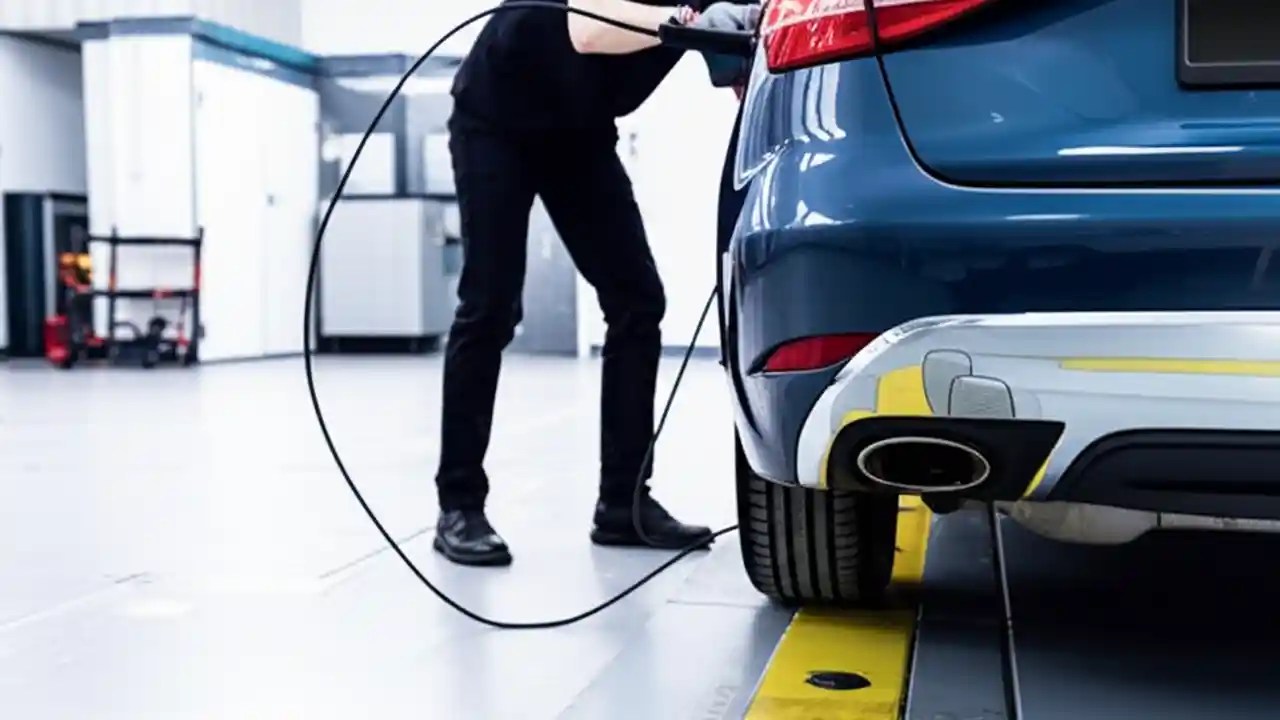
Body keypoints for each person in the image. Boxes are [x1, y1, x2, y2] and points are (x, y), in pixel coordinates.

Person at [433, 0, 760, 566]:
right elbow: (586, 32)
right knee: (490, 306)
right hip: (498, 116)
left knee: (637, 300)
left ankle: (623, 505)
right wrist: (685, 23)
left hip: (577, 129)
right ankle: (458, 505)